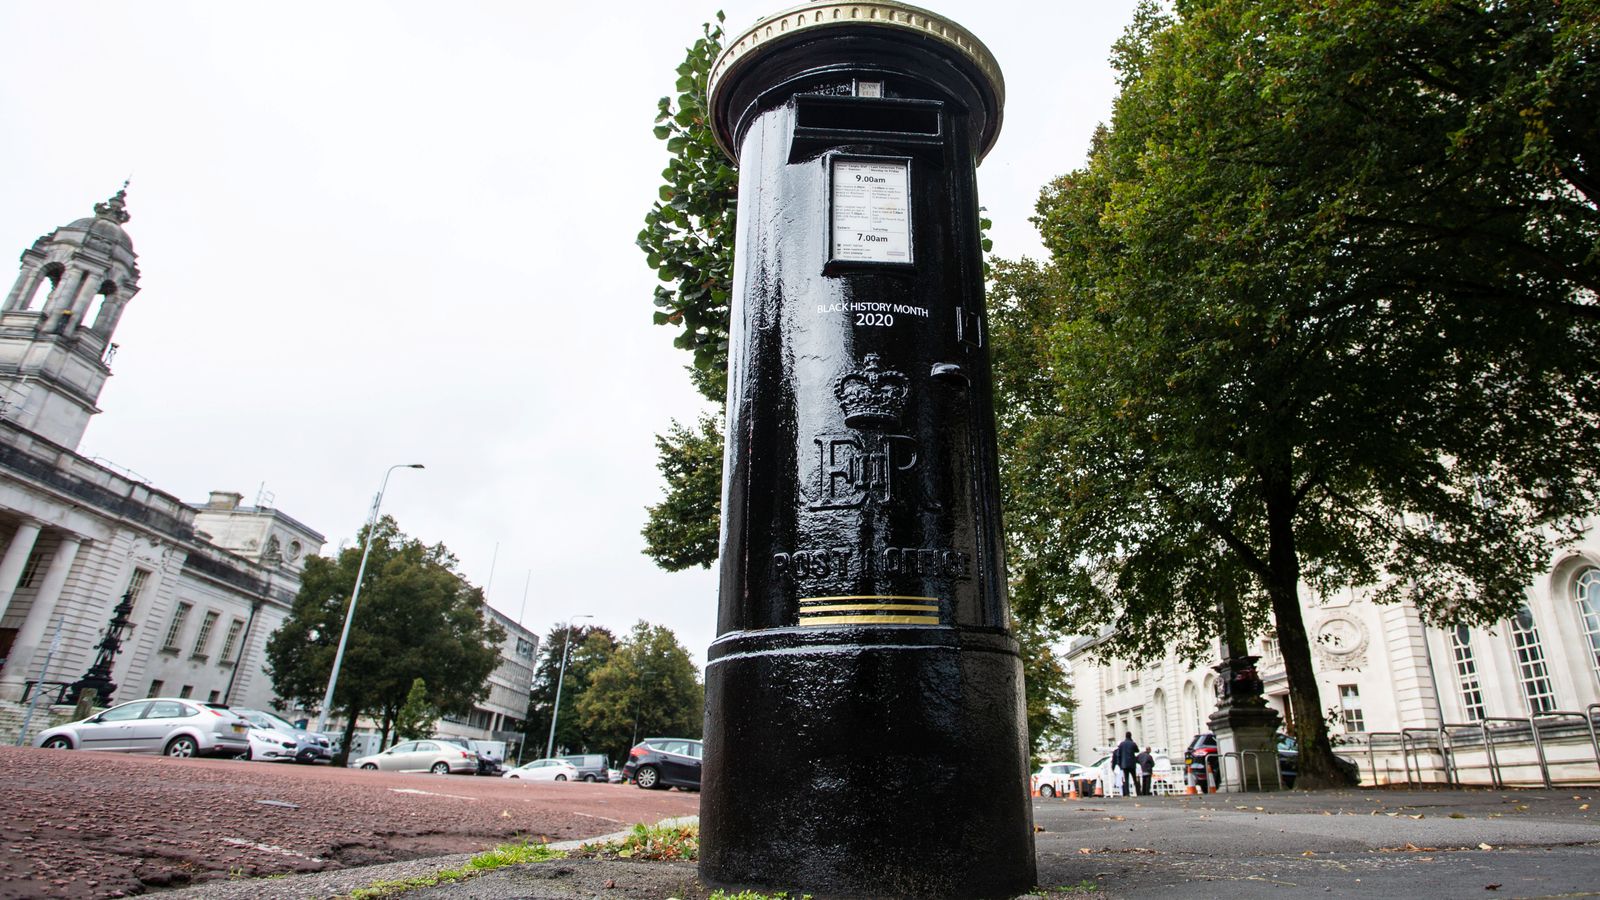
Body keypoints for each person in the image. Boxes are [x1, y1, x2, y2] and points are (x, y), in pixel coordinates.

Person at [1114, 731, 1140, 797]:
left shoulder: (1122, 744)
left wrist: (1119, 764)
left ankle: (1127, 793)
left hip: (1124, 764)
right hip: (1132, 763)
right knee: (1134, 778)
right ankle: (1138, 792)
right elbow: (1137, 750)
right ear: (1131, 736)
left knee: (1126, 779)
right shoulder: (1132, 743)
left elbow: (1118, 755)